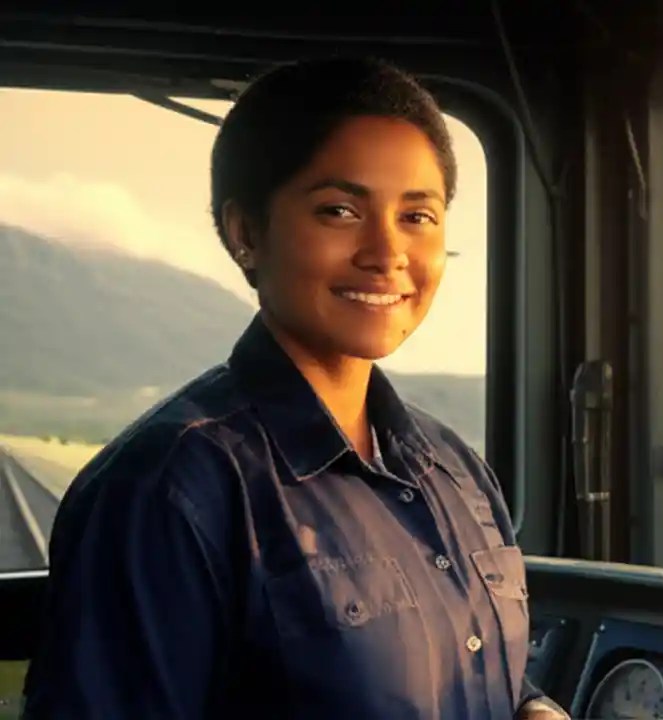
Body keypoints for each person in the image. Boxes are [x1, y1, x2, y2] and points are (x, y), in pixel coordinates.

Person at [21, 57, 568, 720]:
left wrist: (534, 709)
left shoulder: (456, 471)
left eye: (417, 216)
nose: (387, 252)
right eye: (340, 210)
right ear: (246, 233)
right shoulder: (170, 489)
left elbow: (484, 678)